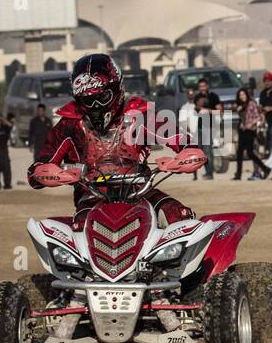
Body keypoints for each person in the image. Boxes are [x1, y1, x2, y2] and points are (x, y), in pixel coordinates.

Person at [27, 54, 203, 219]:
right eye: (88, 100)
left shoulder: (139, 114)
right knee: (77, 229)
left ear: (118, 89)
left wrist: (186, 153)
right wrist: (50, 173)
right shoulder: (70, 123)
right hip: (91, 198)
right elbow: (39, 167)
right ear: (78, 99)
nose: (96, 105)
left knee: (180, 215)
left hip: (141, 192)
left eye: (103, 97)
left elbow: (180, 138)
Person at [233, 86, 264, 180]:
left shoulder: (252, 103)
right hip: (244, 131)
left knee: (254, 152)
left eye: (243, 94)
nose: (242, 96)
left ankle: (258, 173)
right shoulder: (241, 105)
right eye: (240, 95)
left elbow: (259, 117)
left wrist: (252, 123)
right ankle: (246, 173)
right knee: (246, 153)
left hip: (252, 131)